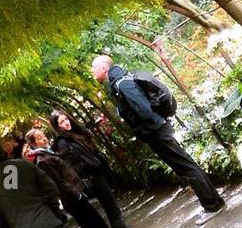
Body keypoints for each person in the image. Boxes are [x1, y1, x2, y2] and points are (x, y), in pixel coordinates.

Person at [91, 55, 225, 213]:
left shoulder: (122, 84)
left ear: (104, 68)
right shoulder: (120, 81)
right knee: (186, 165)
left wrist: (139, 127)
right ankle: (215, 201)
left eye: (94, 67)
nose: (92, 71)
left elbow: (144, 110)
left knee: (186, 167)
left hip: (156, 131)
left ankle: (212, 206)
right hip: (157, 129)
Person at [21, 129, 130, 228]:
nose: (44, 138)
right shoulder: (42, 159)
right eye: (39, 138)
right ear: (33, 143)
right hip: (73, 199)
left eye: (43, 135)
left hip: (77, 194)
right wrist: (77, 193)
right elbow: (58, 182)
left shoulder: (48, 152)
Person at [49, 109, 159, 228]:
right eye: (61, 122)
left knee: (115, 214)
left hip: (98, 177)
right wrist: (89, 166)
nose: (66, 123)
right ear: (57, 126)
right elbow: (70, 169)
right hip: (92, 180)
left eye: (66, 119)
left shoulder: (74, 135)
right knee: (114, 215)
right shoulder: (63, 143)